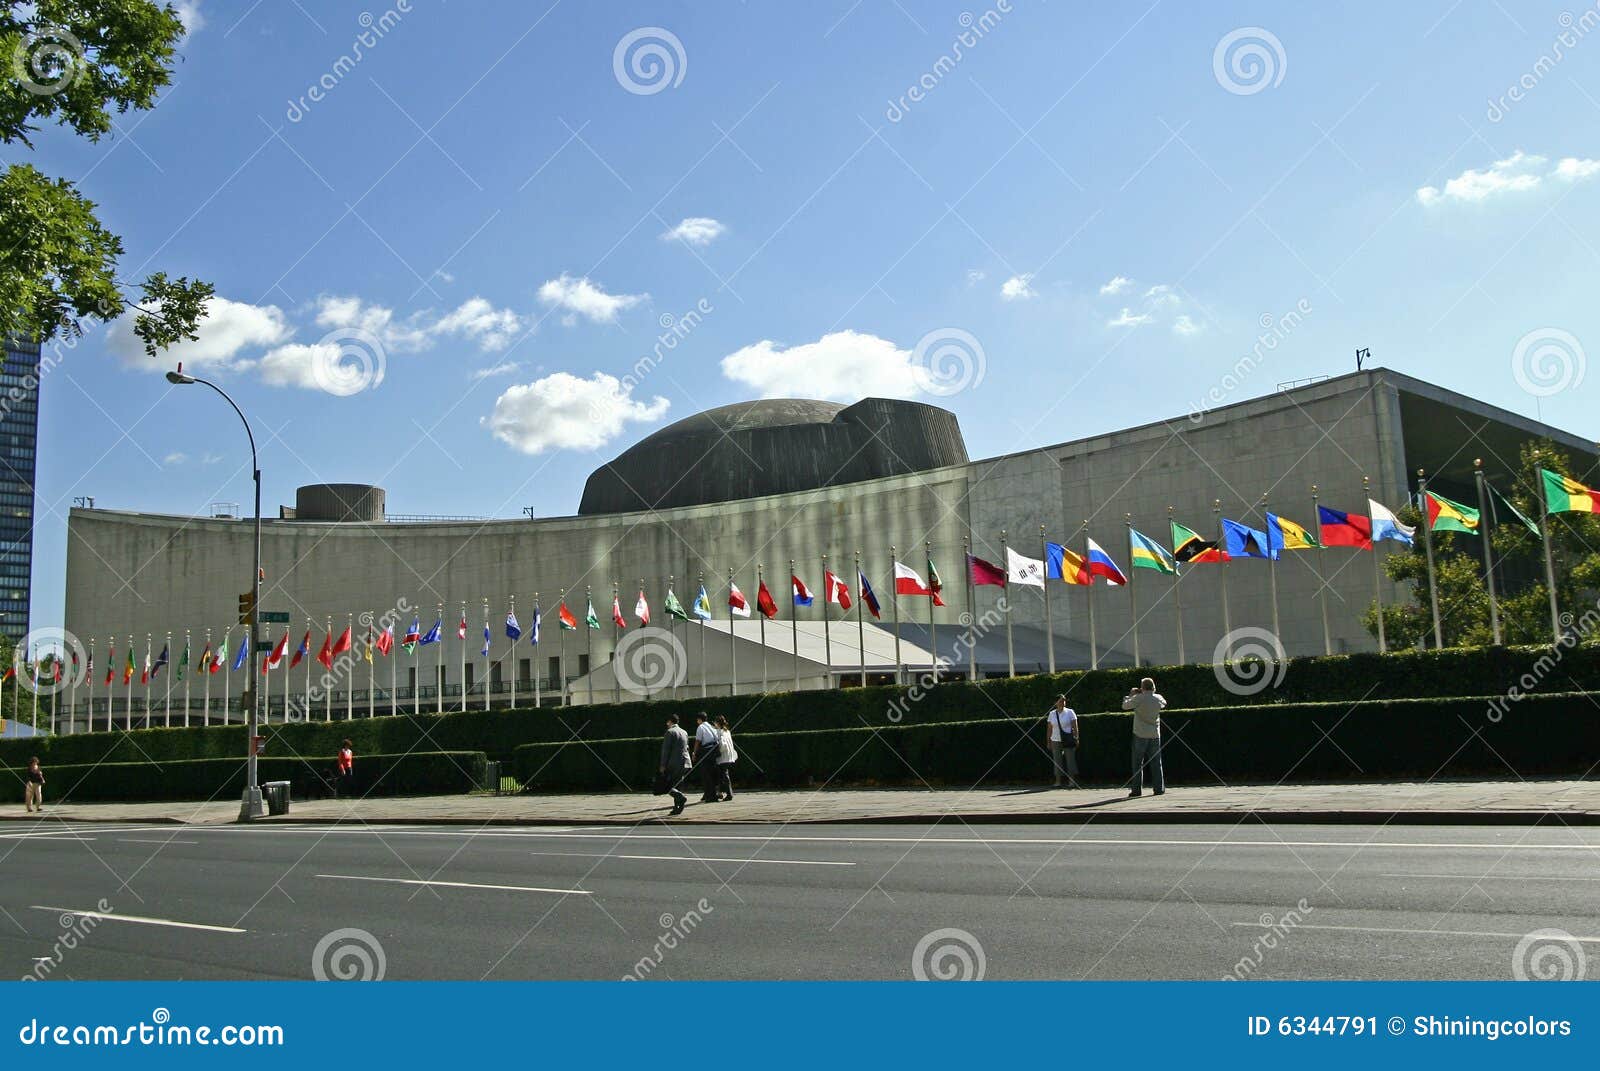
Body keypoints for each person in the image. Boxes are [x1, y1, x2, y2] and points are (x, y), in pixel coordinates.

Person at [1121, 677, 1167, 797]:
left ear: (1142, 687)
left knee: (1137, 763)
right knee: (1156, 762)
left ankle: (1136, 790)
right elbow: (1164, 703)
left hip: (1140, 733)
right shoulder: (1158, 698)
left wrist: (1130, 695)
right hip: (1154, 734)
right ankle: (1159, 788)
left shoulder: (1138, 698)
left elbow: (1125, 706)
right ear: (1153, 687)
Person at [658, 714, 690, 815]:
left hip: (674, 762)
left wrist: (663, 765)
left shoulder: (669, 732)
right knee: (678, 785)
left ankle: (681, 798)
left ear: (669, 721)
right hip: (685, 761)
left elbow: (666, 750)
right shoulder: (684, 732)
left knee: (668, 786)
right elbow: (687, 747)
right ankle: (678, 807)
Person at [1044, 696, 1079, 788]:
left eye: (1064, 701)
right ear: (1055, 703)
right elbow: (1049, 728)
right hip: (1055, 739)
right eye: (1060, 701)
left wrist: (1076, 738)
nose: (1062, 702)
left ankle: (1071, 781)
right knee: (1057, 761)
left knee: (1070, 760)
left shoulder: (1070, 712)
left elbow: (1075, 727)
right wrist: (1048, 741)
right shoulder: (1052, 714)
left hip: (1068, 739)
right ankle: (1058, 781)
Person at [691, 711, 721, 803]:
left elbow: (698, 741)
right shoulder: (712, 727)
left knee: (706, 775)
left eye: (697, 719)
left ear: (699, 719)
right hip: (714, 750)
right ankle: (715, 794)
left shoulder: (701, 727)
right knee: (713, 774)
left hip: (706, 751)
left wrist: (694, 753)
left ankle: (710, 796)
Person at [714, 714, 738, 801]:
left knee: (724, 774)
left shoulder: (719, 732)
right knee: (722, 775)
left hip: (723, 756)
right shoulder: (727, 731)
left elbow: (723, 745)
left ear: (717, 723)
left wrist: (718, 751)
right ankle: (720, 793)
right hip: (729, 755)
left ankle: (729, 794)